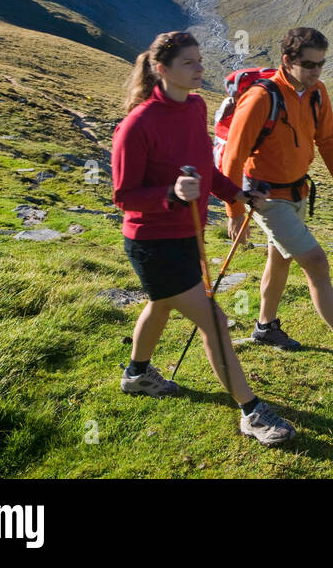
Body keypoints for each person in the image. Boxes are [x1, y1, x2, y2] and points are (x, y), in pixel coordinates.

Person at [111, 30, 295, 445]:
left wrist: (238, 195)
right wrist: (169, 194)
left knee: (160, 306)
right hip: (152, 243)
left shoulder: (195, 107)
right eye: (189, 63)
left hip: (185, 235)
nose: (200, 69)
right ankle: (251, 412)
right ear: (162, 70)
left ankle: (137, 375)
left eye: (199, 60)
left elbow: (206, 169)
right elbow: (123, 196)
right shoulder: (136, 125)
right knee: (215, 322)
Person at [220, 26, 333, 379]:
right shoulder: (260, 99)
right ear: (288, 60)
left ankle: (265, 328)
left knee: (279, 258)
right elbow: (232, 160)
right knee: (315, 262)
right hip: (266, 196)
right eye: (310, 64)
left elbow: (328, 139)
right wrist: (236, 212)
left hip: (298, 191)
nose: (317, 72)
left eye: (321, 64)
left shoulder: (316, 92)